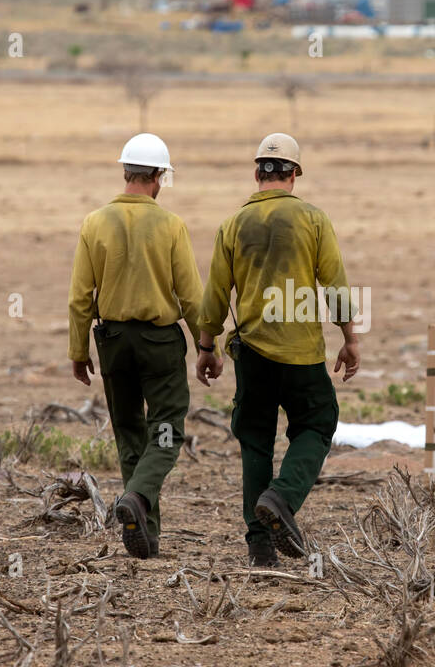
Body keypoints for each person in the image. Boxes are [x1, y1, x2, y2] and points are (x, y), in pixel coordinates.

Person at [195, 133, 360, 567]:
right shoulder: (313, 219)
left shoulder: (232, 224)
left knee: (255, 441)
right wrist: (350, 337)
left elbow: (214, 293)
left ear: (257, 174)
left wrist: (206, 345)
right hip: (302, 352)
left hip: (251, 352)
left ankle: (260, 546)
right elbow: (335, 285)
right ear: (294, 174)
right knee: (318, 421)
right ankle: (282, 498)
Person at [67, 132, 202, 559]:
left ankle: (147, 531)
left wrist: (77, 350)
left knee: (128, 432)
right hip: (159, 343)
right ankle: (140, 502)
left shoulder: (94, 222)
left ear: (125, 172)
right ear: (159, 176)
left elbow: (79, 298)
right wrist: (207, 345)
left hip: (111, 342)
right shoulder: (171, 225)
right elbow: (192, 297)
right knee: (166, 429)